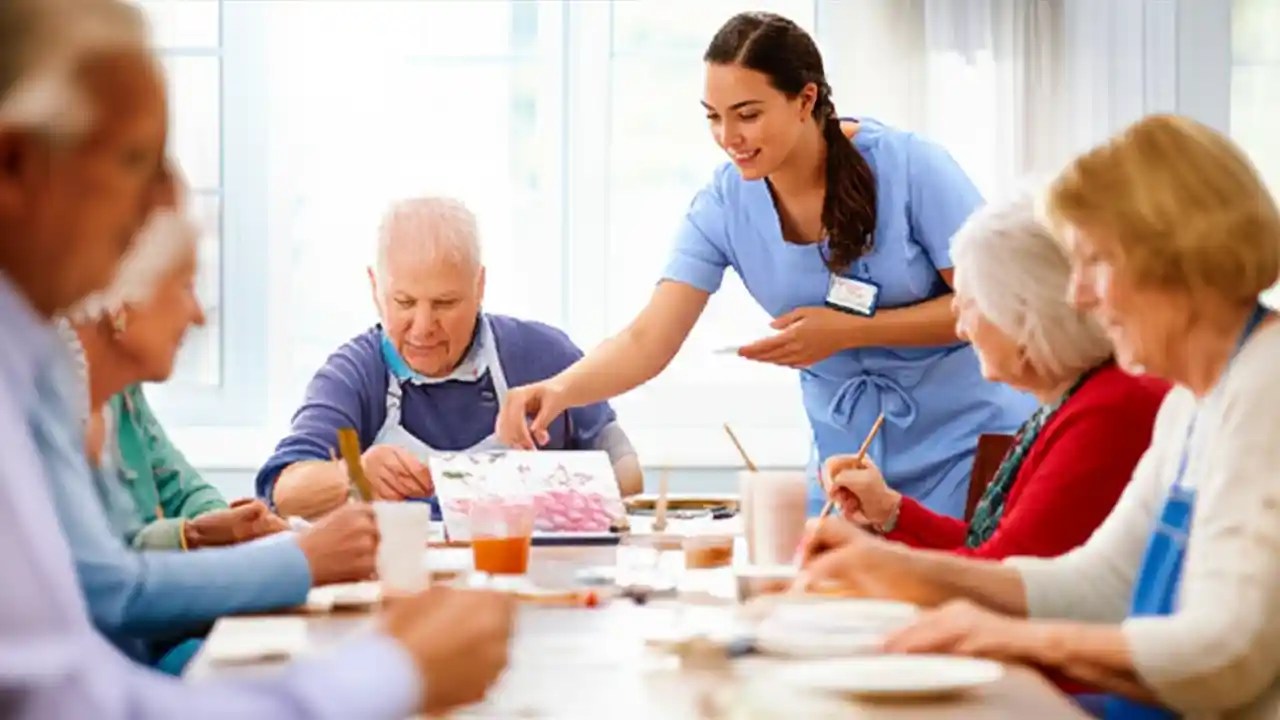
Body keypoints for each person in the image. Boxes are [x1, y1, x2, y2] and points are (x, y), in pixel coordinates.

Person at [0, 1, 512, 717]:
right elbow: (86, 676)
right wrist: (389, 668)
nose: (155, 205)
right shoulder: (35, 380)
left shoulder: (39, 368)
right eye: (131, 162)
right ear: (16, 163)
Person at [801, 115, 1280, 719]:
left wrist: (1006, 635)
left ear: (1175, 260)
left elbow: (1226, 655)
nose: (1077, 295)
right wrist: (893, 565)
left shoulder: (1268, 391)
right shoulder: (1193, 400)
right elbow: (1098, 583)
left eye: (1095, 261)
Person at [495, 11, 1036, 518]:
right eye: (713, 118)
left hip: (965, 450)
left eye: (748, 115)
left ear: (805, 100)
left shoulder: (913, 168)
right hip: (846, 467)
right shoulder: (725, 205)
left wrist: (851, 332)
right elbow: (646, 340)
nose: (729, 138)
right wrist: (560, 391)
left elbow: (996, 309)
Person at [819, 194, 1168, 560]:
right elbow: (991, 552)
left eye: (969, 299)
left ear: (1025, 313)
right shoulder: (1079, 401)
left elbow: (1007, 576)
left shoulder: (1108, 411)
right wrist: (889, 511)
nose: (956, 316)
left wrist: (868, 560)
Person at [259, 196, 643, 520]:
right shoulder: (354, 375)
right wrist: (354, 475)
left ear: (479, 287)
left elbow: (627, 474)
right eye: (404, 302)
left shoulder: (545, 356)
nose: (423, 326)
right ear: (376, 289)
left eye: (445, 303)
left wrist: (538, 493)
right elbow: (282, 490)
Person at [63, 176, 284, 551]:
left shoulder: (121, 396)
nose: (199, 315)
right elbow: (109, 571)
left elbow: (180, 485)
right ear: (119, 301)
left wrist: (231, 525)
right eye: (185, 287)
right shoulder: (56, 406)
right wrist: (196, 535)